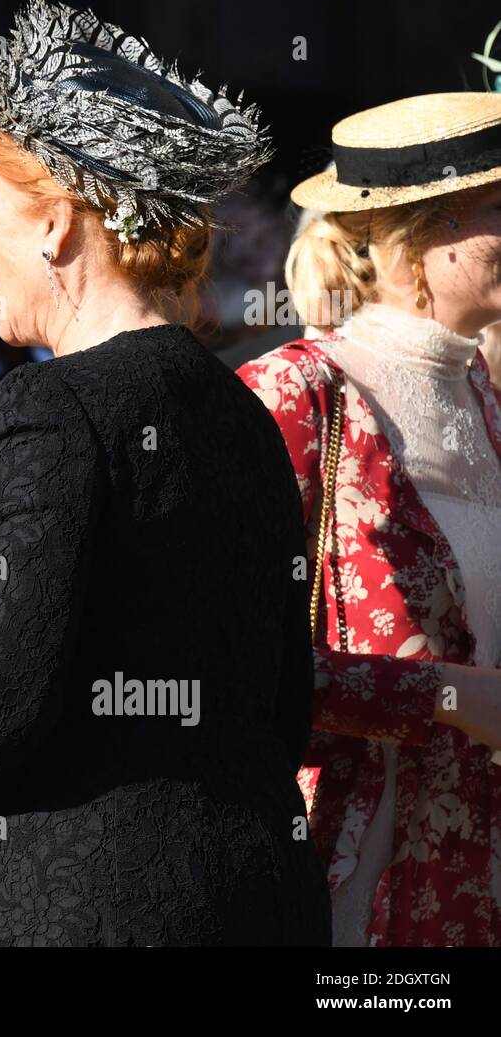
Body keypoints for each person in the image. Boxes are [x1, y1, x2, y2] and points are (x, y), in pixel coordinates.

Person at [0, 0, 331, 945]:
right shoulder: (247, 412)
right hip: (256, 894)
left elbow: (1, 690)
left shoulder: (50, 406)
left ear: (55, 226)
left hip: (78, 905)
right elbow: (280, 699)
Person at [237, 91, 501, 946]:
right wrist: (453, 695)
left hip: (475, 875)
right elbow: (231, 660)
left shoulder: (488, 401)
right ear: (420, 237)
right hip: (350, 872)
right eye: (500, 206)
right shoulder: (296, 395)